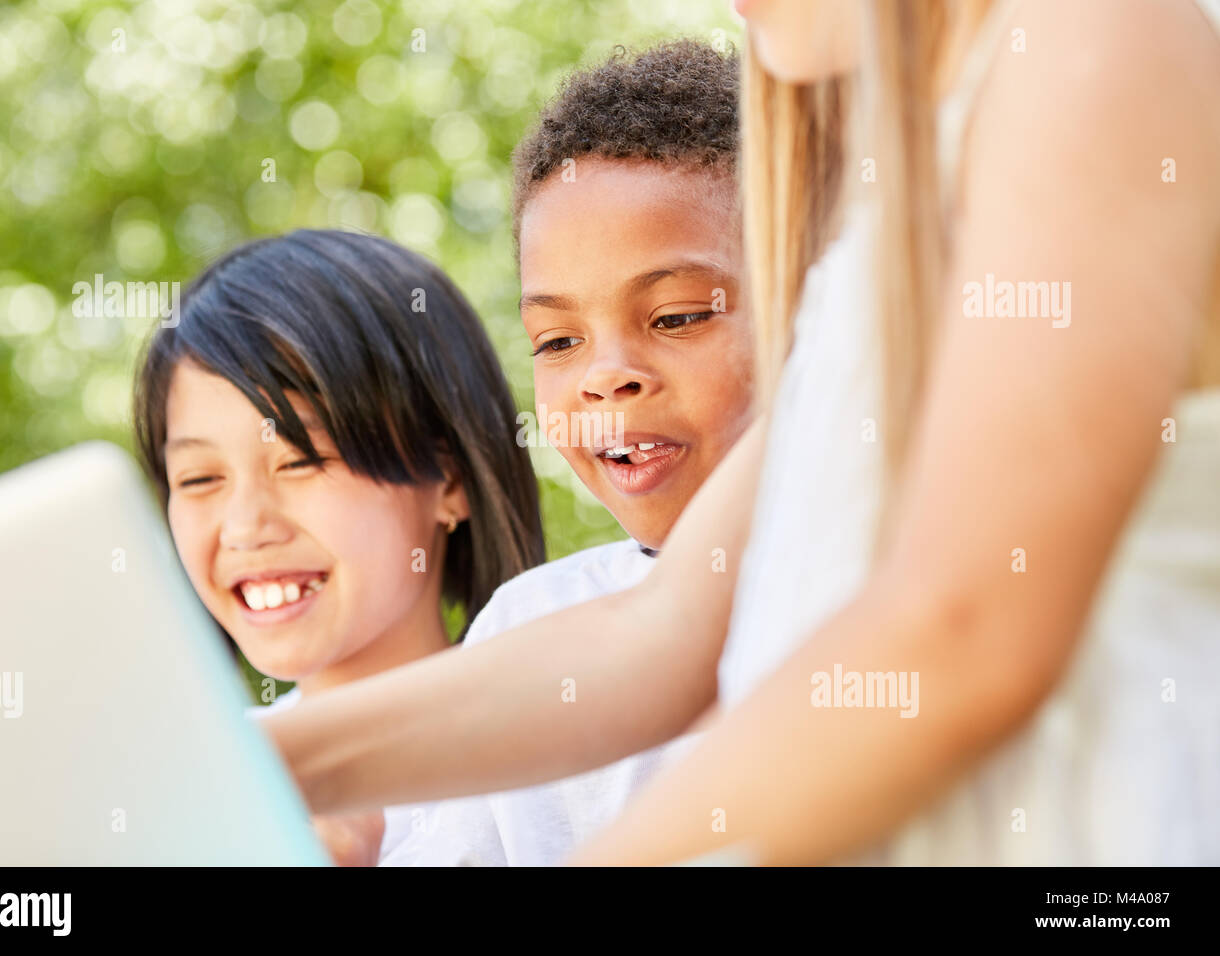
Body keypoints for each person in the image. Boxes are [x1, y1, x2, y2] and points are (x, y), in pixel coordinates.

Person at [264, 0, 1220, 867]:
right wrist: (263, 759)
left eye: (679, 317)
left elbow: (961, 636)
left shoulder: (1093, 38)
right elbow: (650, 639)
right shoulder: (889, 236)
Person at [382, 39, 754, 865]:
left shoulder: (880, 590)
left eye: (679, 317)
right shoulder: (528, 624)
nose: (606, 377)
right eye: (557, 340)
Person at [131, 229, 544, 864]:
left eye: (300, 461)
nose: (244, 528)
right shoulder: (178, 799)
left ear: (450, 480)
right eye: (199, 479)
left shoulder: (564, 737)